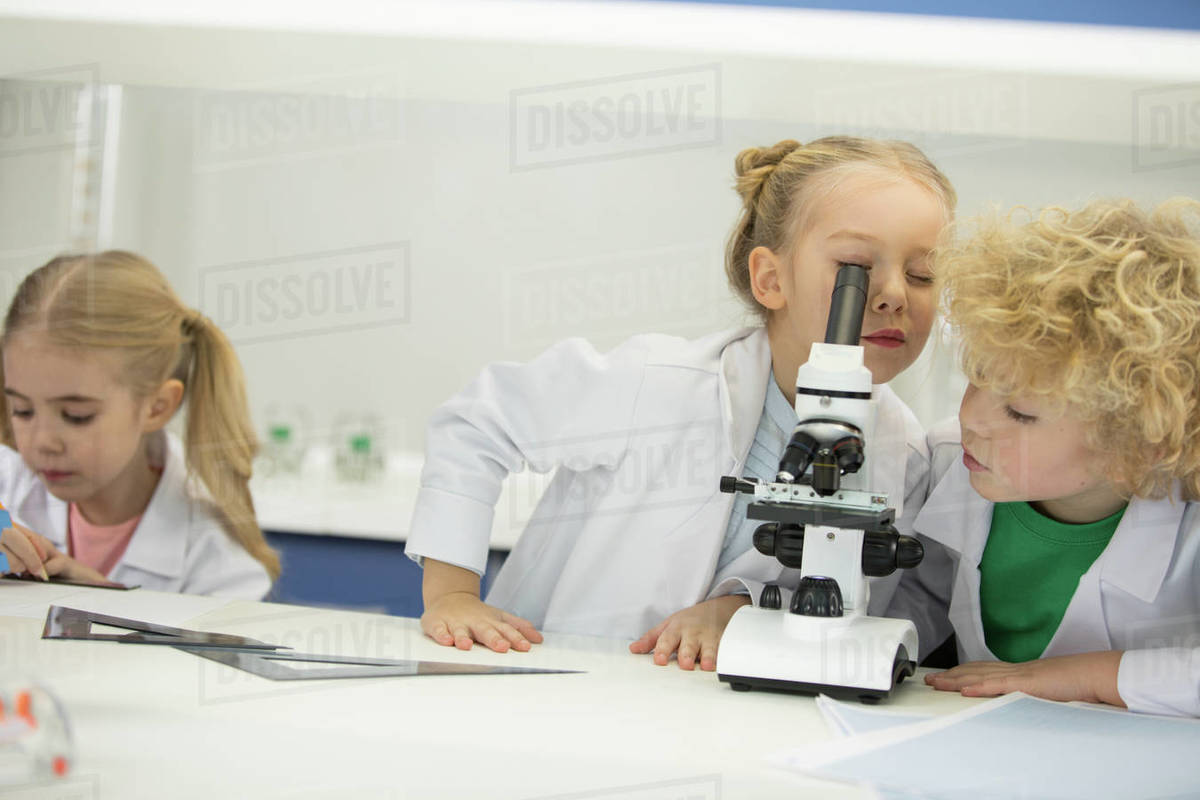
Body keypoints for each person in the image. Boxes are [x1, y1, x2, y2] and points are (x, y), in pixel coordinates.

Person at [406, 137, 955, 669]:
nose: (893, 295)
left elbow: (855, 612)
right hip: (553, 676)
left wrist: (740, 606)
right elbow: (477, 424)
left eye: (921, 274)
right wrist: (452, 593)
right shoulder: (654, 381)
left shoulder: (901, 453)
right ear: (770, 279)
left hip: (712, 718)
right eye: (856, 268)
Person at [892, 198, 1200, 716]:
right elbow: (914, 599)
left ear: (1138, 443)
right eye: (977, 378)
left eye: (1020, 411)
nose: (975, 419)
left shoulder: (1188, 519)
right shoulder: (950, 461)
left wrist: (1085, 677)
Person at [0, 251, 278, 598]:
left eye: (76, 415)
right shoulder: (9, 481)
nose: (42, 442)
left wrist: (105, 602)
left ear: (156, 407)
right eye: (22, 410)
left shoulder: (216, 561)